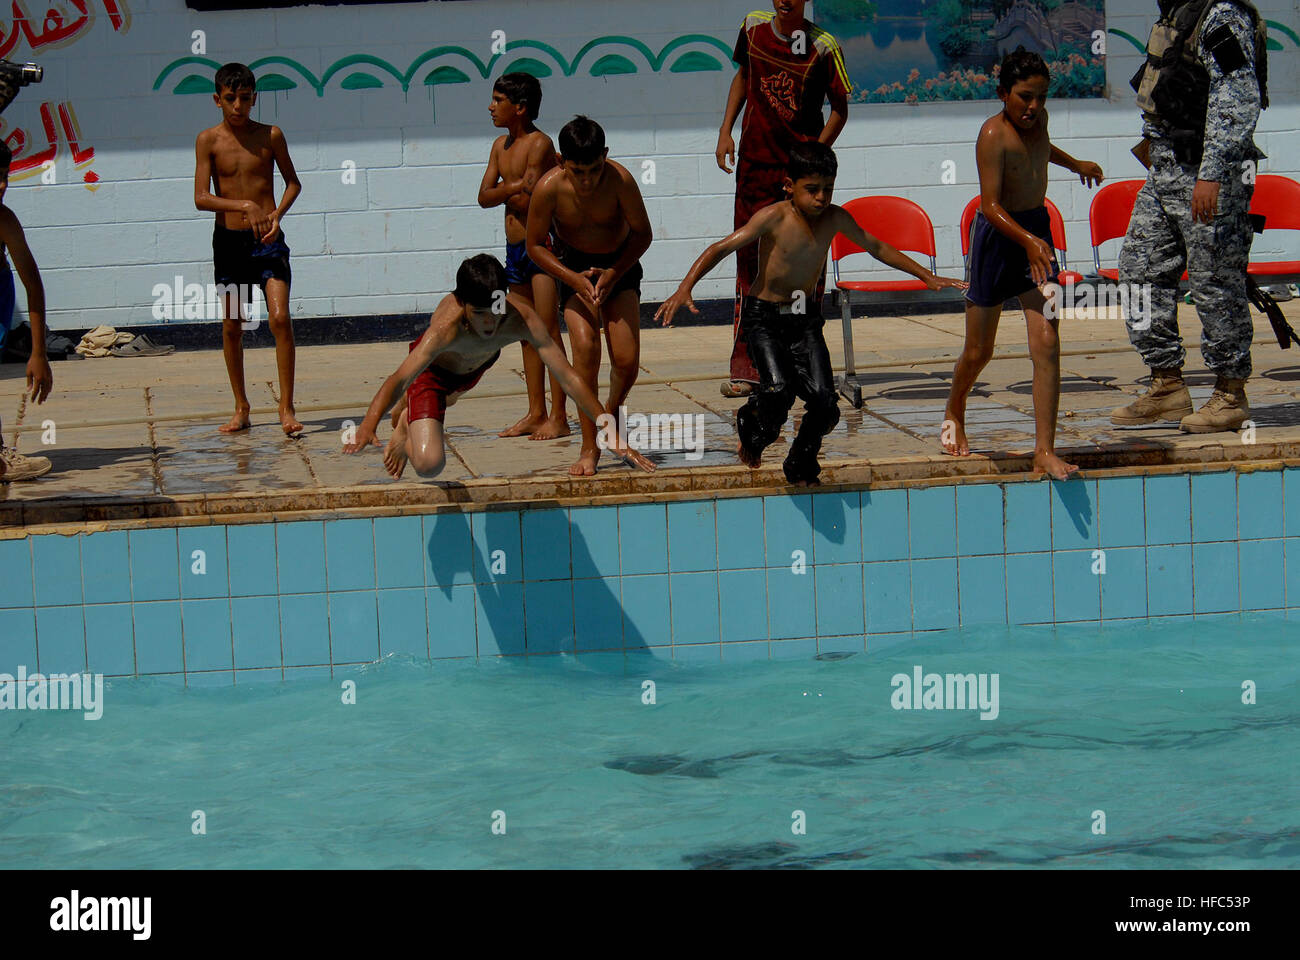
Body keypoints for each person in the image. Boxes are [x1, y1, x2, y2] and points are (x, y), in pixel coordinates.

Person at [656, 142, 965, 486]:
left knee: (824, 402)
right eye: (812, 190)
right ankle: (753, 424)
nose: (821, 198)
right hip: (764, 318)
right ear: (789, 186)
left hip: (804, 319)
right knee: (778, 393)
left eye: (828, 189)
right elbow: (721, 247)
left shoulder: (835, 218)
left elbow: (876, 246)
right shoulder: (774, 217)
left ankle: (801, 462)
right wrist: (685, 287)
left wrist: (926, 275)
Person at [942, 50, 1104, 480]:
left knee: (1047, 342)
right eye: (1025, 97)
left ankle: (1044, 450)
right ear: (1003, 93)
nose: (1033, 107)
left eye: (1042, 98)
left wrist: (1077, 165)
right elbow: (990, 205)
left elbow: (1043, 151)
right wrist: (1028, 241)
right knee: (980, 351)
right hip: (999, 239)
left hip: (1035, 232)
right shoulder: (992, 134)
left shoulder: (1039, 121)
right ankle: (955, 407)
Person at [343, 254, 653, 478]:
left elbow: (569, 378)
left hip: (473, 368)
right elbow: (399, 378)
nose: (491, 322)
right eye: (480, 314)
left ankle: (410, 417)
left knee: (448, 397)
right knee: (429, 465)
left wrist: (608, 429)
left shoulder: (520, 319)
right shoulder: (445, 329)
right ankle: (404, 432)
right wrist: (368, 425)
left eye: (495, 310)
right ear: (463, 305)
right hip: (432, 376)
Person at [1111, 0, 1268, 433]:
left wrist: (1213, 175)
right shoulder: (1178, 14)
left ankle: (1230, 393)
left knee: (1214, 283)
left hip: (1206, 174)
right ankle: (1166, 385)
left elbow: (1236, 99)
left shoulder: (1220, 17)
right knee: (1139, 271)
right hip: (1165, 171)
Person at [716, 0, 850, 398]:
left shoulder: (824, 46)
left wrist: (811, 163)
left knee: (802, 268)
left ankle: (800, 363)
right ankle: (748, 365)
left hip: (799, 177)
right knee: (750, 264)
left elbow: (841, 110)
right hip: (755, 167)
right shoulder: (753, 27)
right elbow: (744, 76)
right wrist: (726, 130)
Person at [526, 116, 652, 476]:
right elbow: (534, 245)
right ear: (561, 162)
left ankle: (607, 414)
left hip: (619, 265)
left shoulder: (621, 181)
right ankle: (589, 448)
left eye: (594, 170)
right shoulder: (549, 188)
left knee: (626, 361)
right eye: (577, 171)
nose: (586, 180)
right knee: (585, 351)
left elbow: (643, 234)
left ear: (605, 156)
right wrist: (571, 278)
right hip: (574, 269)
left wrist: (614, 273)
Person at [194, 61, 303, 436]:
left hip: (267, 242)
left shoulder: (270, 135)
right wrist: (243, 206)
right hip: (230, 243)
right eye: (230, 99)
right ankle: (241, 406)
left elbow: (292, 183)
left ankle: (286, 406)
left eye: (244, 99)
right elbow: (201, 197)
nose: (238, 107)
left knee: (279, 318)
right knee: (233, 326)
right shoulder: (208, 140)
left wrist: (276, 215)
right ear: (217, 100)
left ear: (254, 98)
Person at [477, 72, 570, 441]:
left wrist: (504, 189)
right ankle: (536, 411)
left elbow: (526, 200)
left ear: (520, 107)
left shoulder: (540, 144)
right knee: (525, 333)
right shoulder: (499, 146)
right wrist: (512, 186)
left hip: (542, 246)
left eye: (498, 100)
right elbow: (484, 197)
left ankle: (560, 416)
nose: (490, 107)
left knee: (547, 331)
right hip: (514, 250)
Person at [0, 141, 53, 481]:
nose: (2, 186)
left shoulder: (4, 220)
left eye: (4, 176)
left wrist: (38, 352)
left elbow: (33, 285)